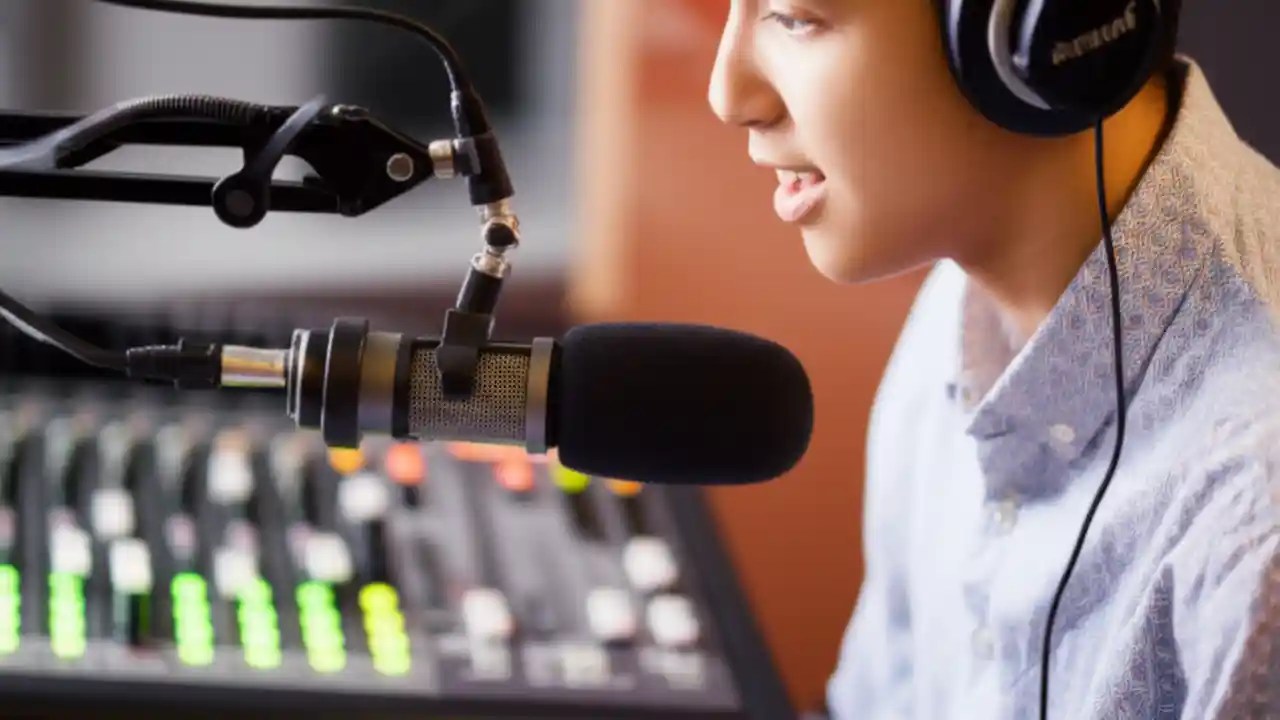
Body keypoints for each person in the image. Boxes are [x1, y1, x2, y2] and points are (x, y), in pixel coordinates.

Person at [708, 1, 1279, 718]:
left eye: (794, 17)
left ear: (1046, 31)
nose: (728, 95)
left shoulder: (1254, 526)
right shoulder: (958, 298)